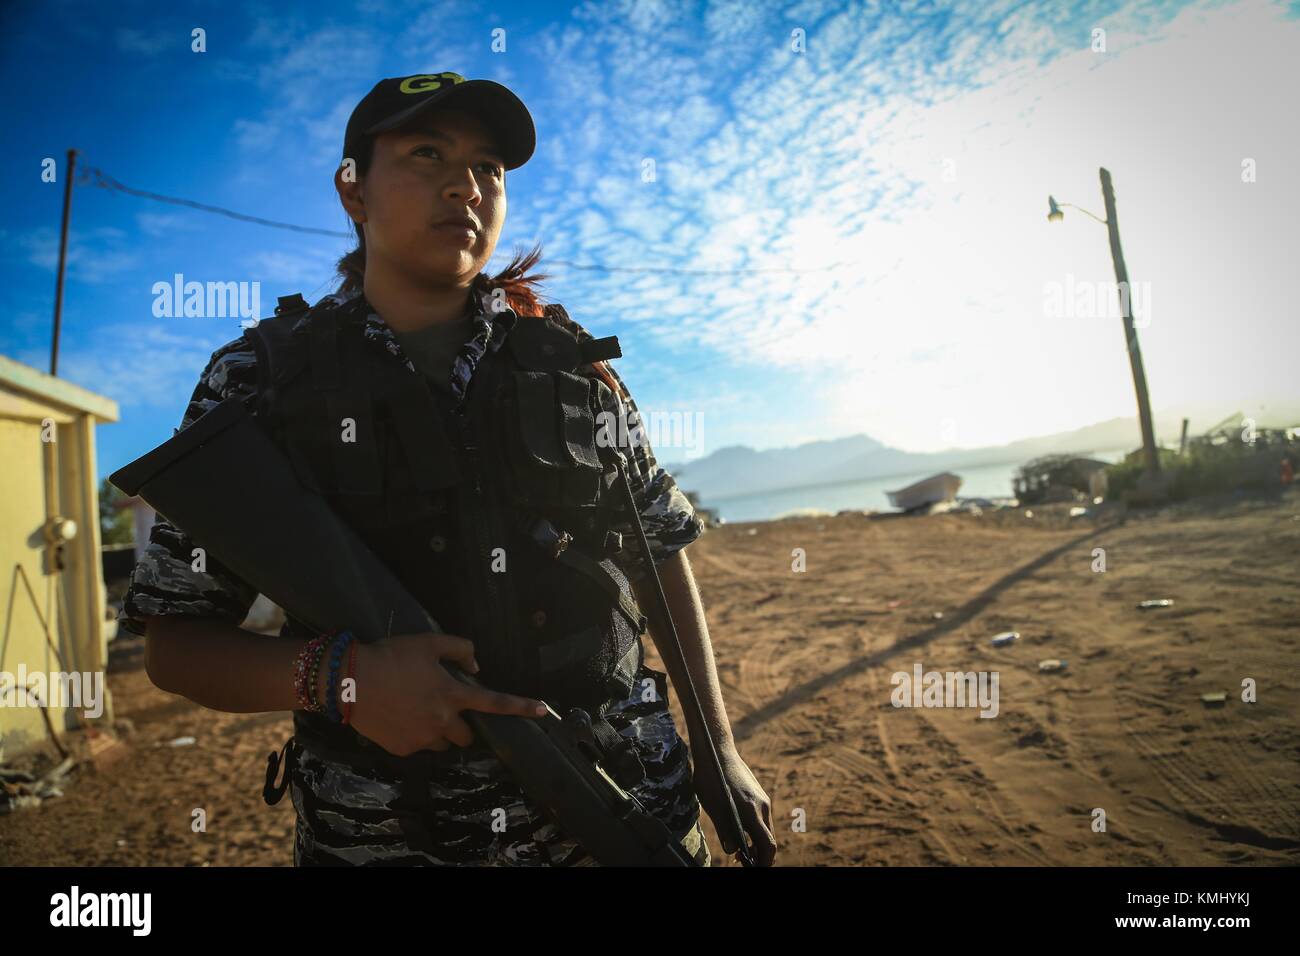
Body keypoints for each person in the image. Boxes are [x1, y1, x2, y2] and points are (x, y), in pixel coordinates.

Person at [121, 71, 776, 867]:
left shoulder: (571, 361)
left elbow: (660, 551)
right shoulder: (259, 381)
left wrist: (717, 747)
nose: (464, 186)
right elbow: (177, 648)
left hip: (632, 815)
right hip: (393, 843)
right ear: (352, 192)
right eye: (426, 154)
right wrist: (344, 680)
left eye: (488, 167)